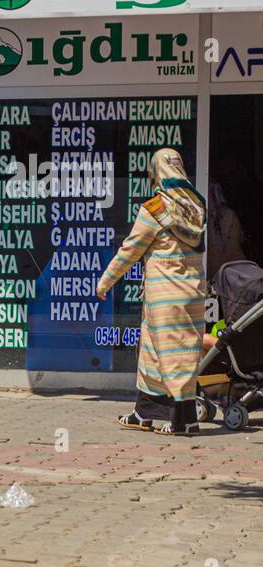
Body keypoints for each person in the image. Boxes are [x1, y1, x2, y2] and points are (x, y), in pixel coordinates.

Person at [97, 148, 207, 436]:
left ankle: (186, 421)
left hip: (165, 293)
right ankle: (143, 413)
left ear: (157, 172)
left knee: (173, 355)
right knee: (154, 352)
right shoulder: (196, 206)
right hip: (193, 292)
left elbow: (130, 250)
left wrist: (105, 281)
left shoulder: (155, 209)